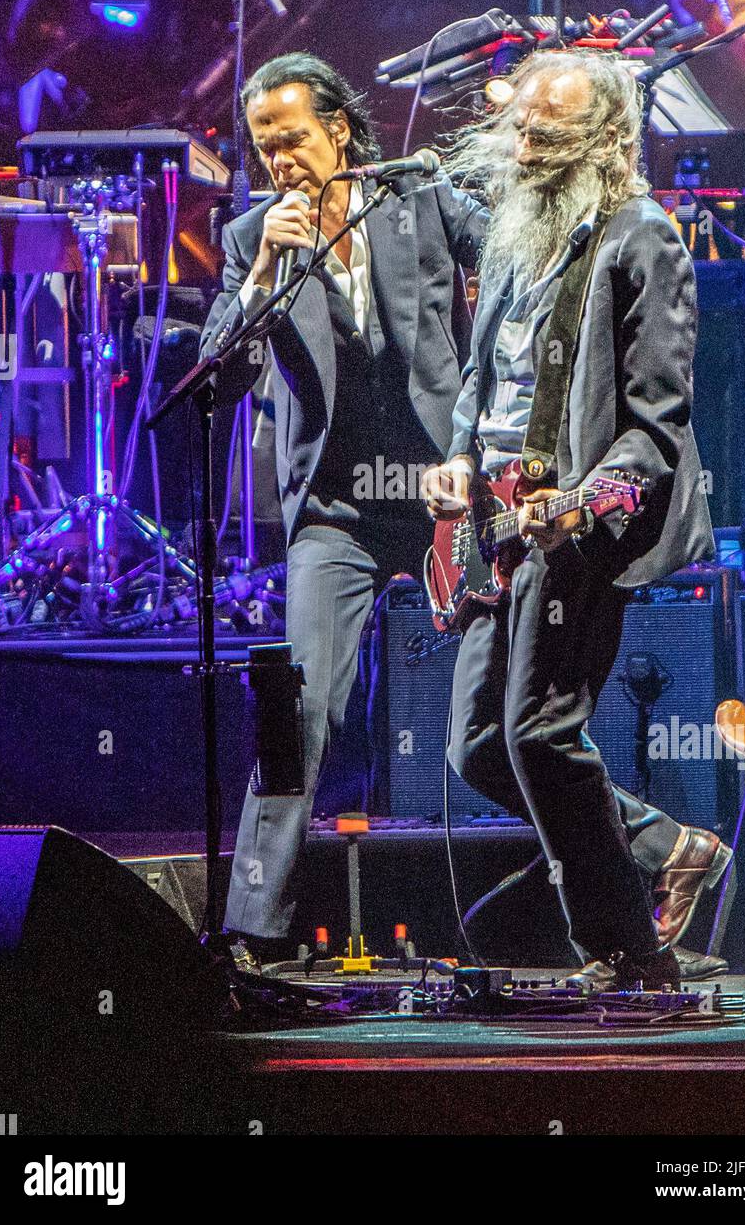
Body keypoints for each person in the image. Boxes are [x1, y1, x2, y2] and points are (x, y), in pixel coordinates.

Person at [421, 49, 720, 989]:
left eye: (550, 125)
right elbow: (483, 377)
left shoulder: (643, 238)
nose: (527, 137)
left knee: (540, 731)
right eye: (523, 123)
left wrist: (586, 504)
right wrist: (459, 460)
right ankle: (665, 846)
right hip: (497, 519)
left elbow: (657, 424)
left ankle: (628, 952)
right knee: (478, 744)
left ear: (606, 137)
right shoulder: (516, 238)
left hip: (576, 520)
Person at [200, 52, 486, 962]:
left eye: (292, 138)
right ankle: (253, 934)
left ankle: (650, 858)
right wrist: (262, 277)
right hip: (334, 509)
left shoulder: (418, 200)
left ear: (340, 130)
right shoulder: (255, 237)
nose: (278, 158)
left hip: (446, 490)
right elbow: (221, 371)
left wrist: (485, 447)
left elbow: (515, 264)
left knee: (511, 717)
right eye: (262, 146)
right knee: (303, 706)